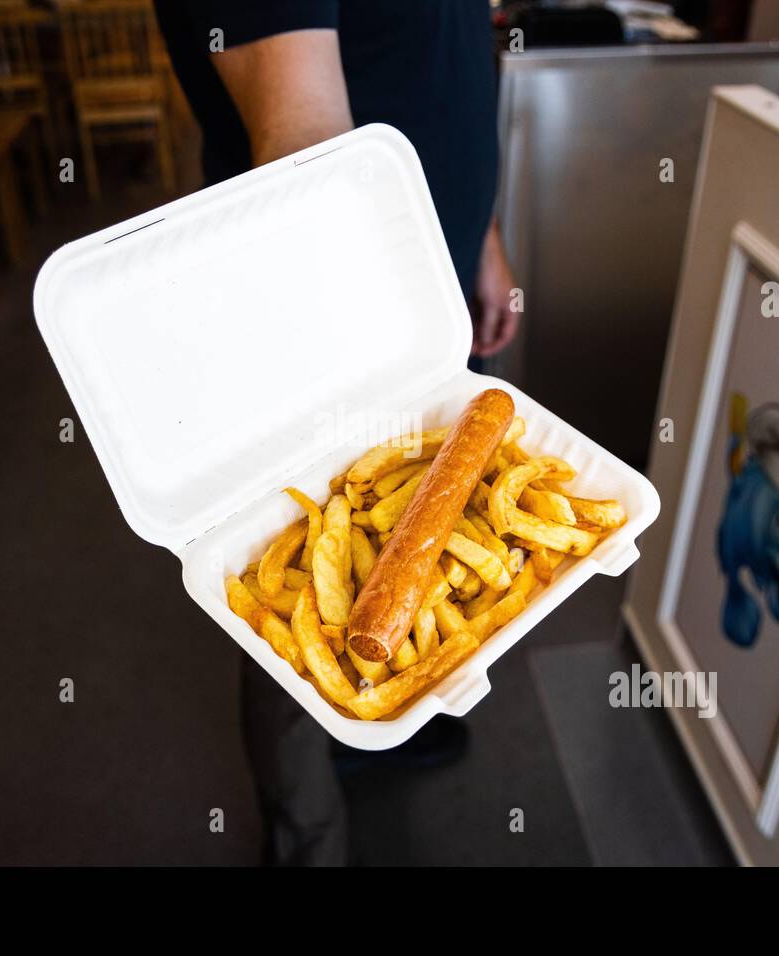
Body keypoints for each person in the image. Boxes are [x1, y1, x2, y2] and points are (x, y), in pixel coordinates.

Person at [154, 0, 520, 865]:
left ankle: (391, 710)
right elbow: (305, 141)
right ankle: (304, 836)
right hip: (338, 312)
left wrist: (480, 235)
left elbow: (440, 64)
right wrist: (375, 368)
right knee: (306, 563)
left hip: (434, 277)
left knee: (428, 532)